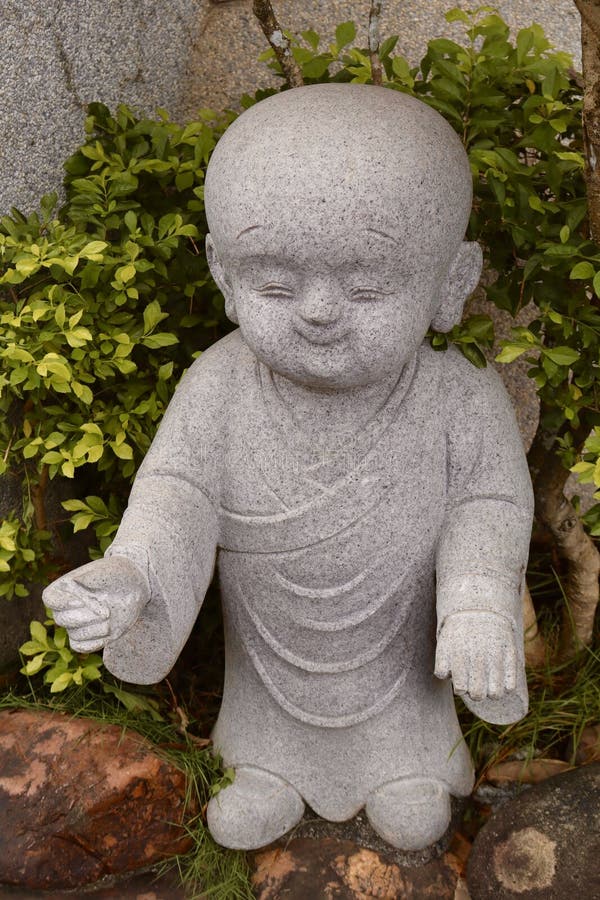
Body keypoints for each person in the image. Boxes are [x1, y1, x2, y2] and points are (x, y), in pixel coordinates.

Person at [44, 84, 533, 852]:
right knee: (260, 751)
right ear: (223, 276)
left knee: (411, 786)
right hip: (266, 676)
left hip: (403, 682)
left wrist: (476, 599)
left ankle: (407, 764)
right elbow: (178, 493)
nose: (317, 311)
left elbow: (491, 501)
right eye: (275, 284)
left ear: (450, 284)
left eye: (368, 287)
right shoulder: (220, 381)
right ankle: (267, 768)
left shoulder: (458, 392)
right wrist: (133, 574)